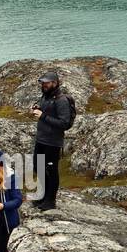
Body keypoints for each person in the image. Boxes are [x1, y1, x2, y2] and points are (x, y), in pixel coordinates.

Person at [30, 69, 74, 210]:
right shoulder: (45, 97)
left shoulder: (62, 101)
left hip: (53, 143)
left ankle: (50, 201)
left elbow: (64, 123)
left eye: (46, 83)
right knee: (38, 167)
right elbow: (46, 112)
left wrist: (42, 116)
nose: (43, 85)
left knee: (51, 170)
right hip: (41, 140)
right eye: (42, 83)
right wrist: (37, 109)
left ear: (55, 83)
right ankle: (42, 196)